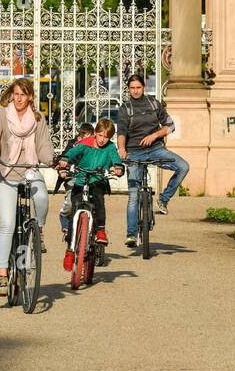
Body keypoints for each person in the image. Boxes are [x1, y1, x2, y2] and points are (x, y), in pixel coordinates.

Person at [0, 77, 54, 298]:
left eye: (23, 95)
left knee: (42, 196)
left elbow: (43, 145)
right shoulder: (2, 115)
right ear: (12, 95)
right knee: (7, 224)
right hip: (6, 173)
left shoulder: (38, 118)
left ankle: (39, 230)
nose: (19, 98)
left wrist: (51, 160)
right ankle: (2, 275)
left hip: (29, 171)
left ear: (30, 96)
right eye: (16, 94)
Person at [116, 74, 189, 249]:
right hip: (134, 153)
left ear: (144, 88)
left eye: (138, 87)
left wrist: (154, 135)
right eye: (132, 88)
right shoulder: (125, 109)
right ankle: (131, 234)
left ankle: (163, 199)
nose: (135, 91)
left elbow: (170, 125)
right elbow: (121, 132)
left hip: (156, 149)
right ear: (128, 89)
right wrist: (122, 149)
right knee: (133, 195)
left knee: (183, 166)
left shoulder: (154, 104)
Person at [61, 118, 124, 270]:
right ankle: (70, 251)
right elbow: (72, 152)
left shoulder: (110, 147)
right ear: (95, 133)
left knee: (99, 201)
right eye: (100, 135)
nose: (103, 139)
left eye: (106, 137)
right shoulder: (86, 143)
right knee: (74, 212)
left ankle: (101, 230)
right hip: (81, 180)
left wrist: (118, 167)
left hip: (98, 180)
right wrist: (64, 160)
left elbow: (116, 158)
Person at [55, 121, 95, 241]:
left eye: (89, 135)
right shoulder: (72, 144)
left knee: (96, 202)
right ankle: (65, 219)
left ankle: (96, 230)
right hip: (73, 176)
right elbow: (64, 157)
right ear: (79, 135)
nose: (86, 138)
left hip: (90, 177)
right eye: (83, 135)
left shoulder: (95, 145)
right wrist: (62, 169)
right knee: (70, 202)